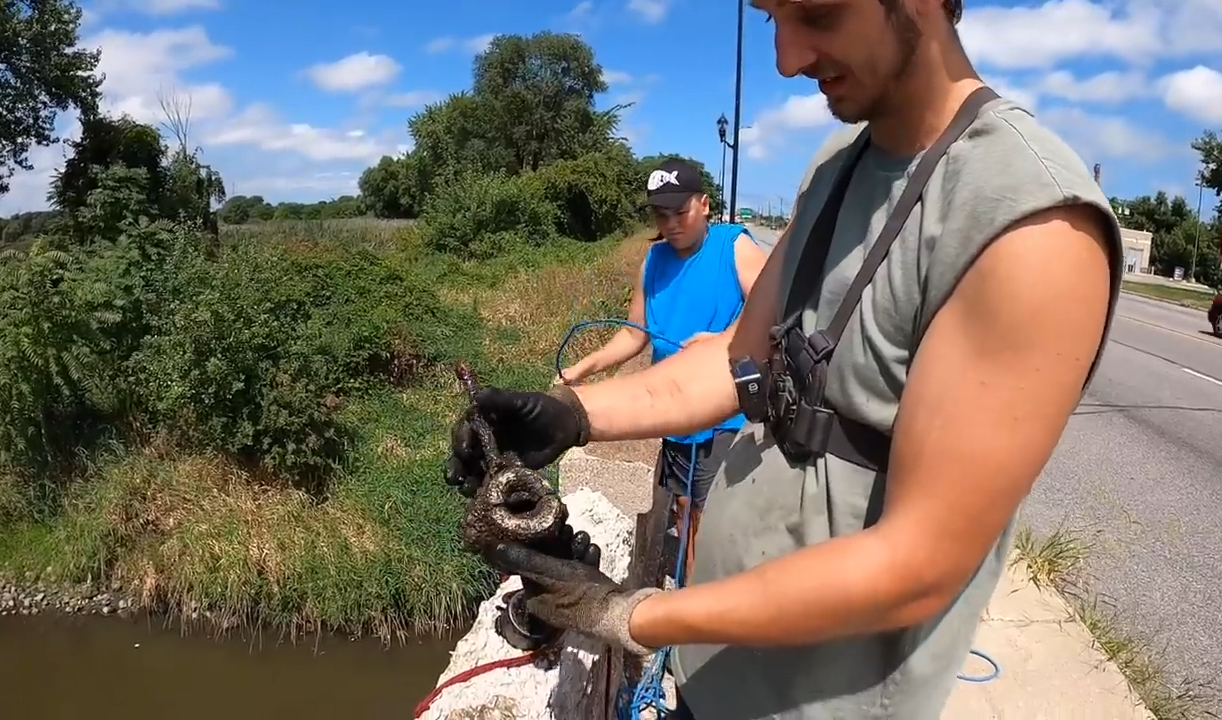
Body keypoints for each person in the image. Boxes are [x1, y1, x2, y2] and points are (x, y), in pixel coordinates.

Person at [445, 0, 1123, 717]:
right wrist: (571, 414)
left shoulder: (1033, 227)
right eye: (774, 19)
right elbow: (739, 362)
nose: (788, 59)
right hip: (716, 672)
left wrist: (627, 614)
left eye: (817, 13)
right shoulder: (838, 165)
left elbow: (919, 563)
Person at [555, 157, 767, 579]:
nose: (671, 224)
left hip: (723, 412)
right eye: (661, 215)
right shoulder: (653, 260)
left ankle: (704, 595)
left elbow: (770, 300)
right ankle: (689, 583)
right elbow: (634, 334)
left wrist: (726, 340)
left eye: (680, 212)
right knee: (683, 506)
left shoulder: (733, 245)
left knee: (711, 513)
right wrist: (584, 367)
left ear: (704, 204)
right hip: (673, 412)